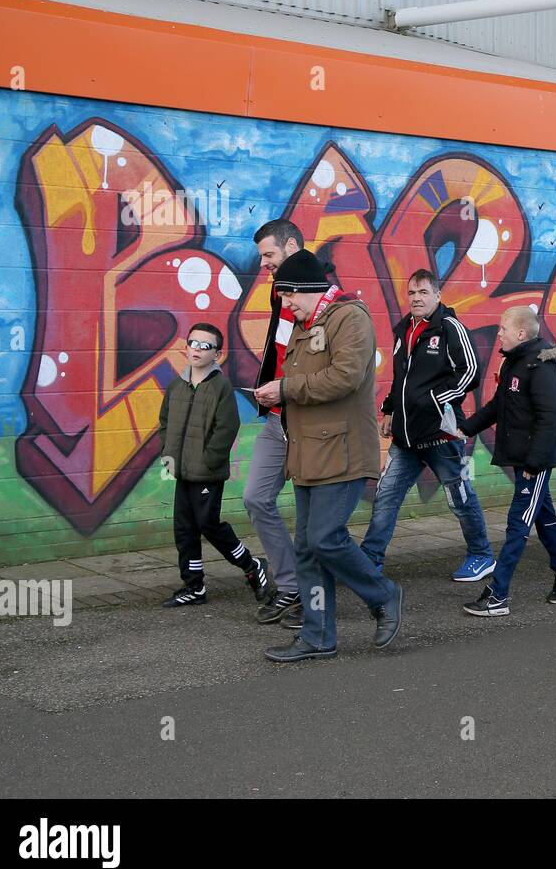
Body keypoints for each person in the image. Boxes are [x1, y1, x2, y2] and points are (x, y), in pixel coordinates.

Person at [254, 250, 403, 662]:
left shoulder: (348, 317)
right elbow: (304, 379)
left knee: (325, 538)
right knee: (307, 548)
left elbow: (345, 376)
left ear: (306, 289)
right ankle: (318, 637)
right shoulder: (307, 324)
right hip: (308, 453)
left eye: (288, 296)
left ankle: (385, 595)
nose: (285, 305)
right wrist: (278, 390)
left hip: (342, 451)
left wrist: (284, 389)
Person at [359, 269, 496, 582]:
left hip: (441, 436)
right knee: (386, 498)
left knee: (460, 497)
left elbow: (470, 372)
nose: (416, 298)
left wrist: (434, 400)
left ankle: (481, 555)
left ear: (437, 295)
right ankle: (370, 560)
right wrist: (390, 409)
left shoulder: (449, 328)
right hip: (406, 438)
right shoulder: (404, 329)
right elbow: (401, 380)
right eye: (412, 293)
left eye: (423, 292)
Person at [459, 307, 556, 616]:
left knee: (518, 524)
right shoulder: (515, 362)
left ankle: (497, 595)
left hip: (534, 462)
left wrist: (533, 464)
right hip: (524, 459)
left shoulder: (541, 365)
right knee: (543, 517)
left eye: (503, 329)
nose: (499, 333)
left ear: (521, 334)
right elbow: (498, 405)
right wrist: (465, 429)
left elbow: (550, 418)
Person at [158, 323, 276, 608]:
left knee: (208, 524)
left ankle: (252, 565)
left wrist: (208, 460)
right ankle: (194, 586)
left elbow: (227, 428)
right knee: (184, 528)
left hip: (207, 472)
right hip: (181, 470)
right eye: (193, 343)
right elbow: (165, 424)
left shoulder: (220, 387)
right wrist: (169, 457)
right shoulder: (177, 385)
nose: (197, 350)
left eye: (205, 346)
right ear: (185, 347)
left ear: (218, 354)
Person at [244, 218, 306, 625]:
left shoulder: (325, 294)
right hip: (278, 417)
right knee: (255, 497)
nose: (264, 263)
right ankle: (290, 585)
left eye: (269, 254)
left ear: (293, 246)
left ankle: (312, 597)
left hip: (308, 421)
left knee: (311, 516)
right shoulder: (278, 290)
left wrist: (286, 388)